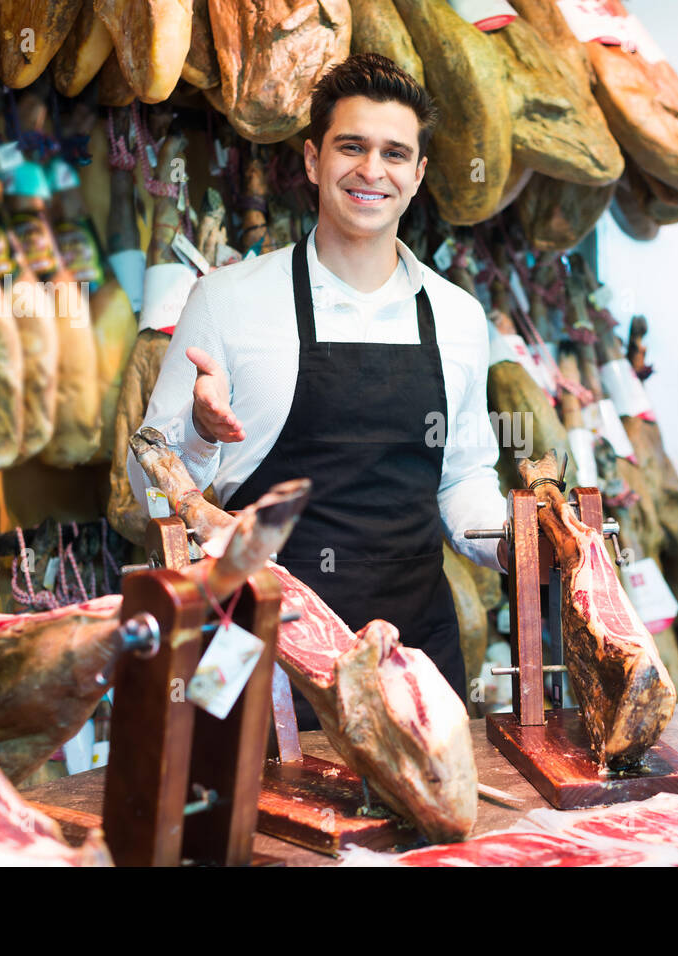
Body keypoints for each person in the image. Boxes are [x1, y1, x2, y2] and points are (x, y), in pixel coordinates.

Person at [128, 53, 508, 729]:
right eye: (351, 147)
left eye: (395, 153)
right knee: (239, 825)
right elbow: (149, 483)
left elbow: (462, 480)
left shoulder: (457, 317)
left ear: (418, 175)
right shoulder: (227, 300)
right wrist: (198, 434)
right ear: (311, 160)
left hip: (414, 653)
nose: (371, 170)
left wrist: (513, 542)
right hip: (253, 649)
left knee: (434, 833)